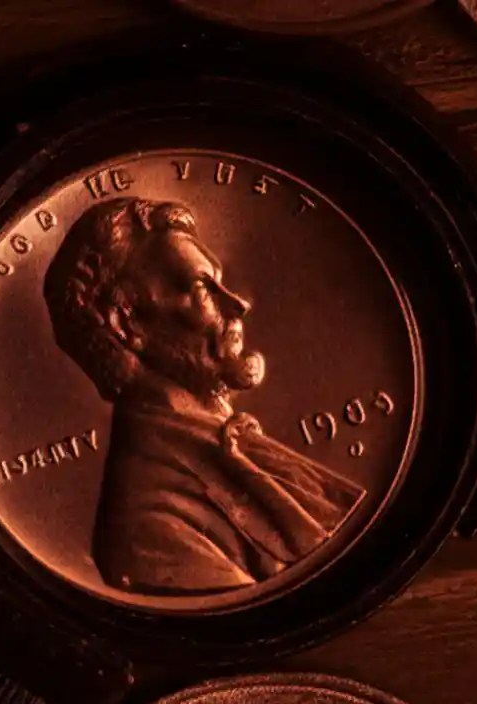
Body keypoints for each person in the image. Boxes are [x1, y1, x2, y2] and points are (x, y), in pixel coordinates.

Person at [43, 197, 365, 595]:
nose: (239, 304)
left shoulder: (233, 445)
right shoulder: (151, 528)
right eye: (202, 288)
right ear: (126, 322)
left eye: (220, 282)